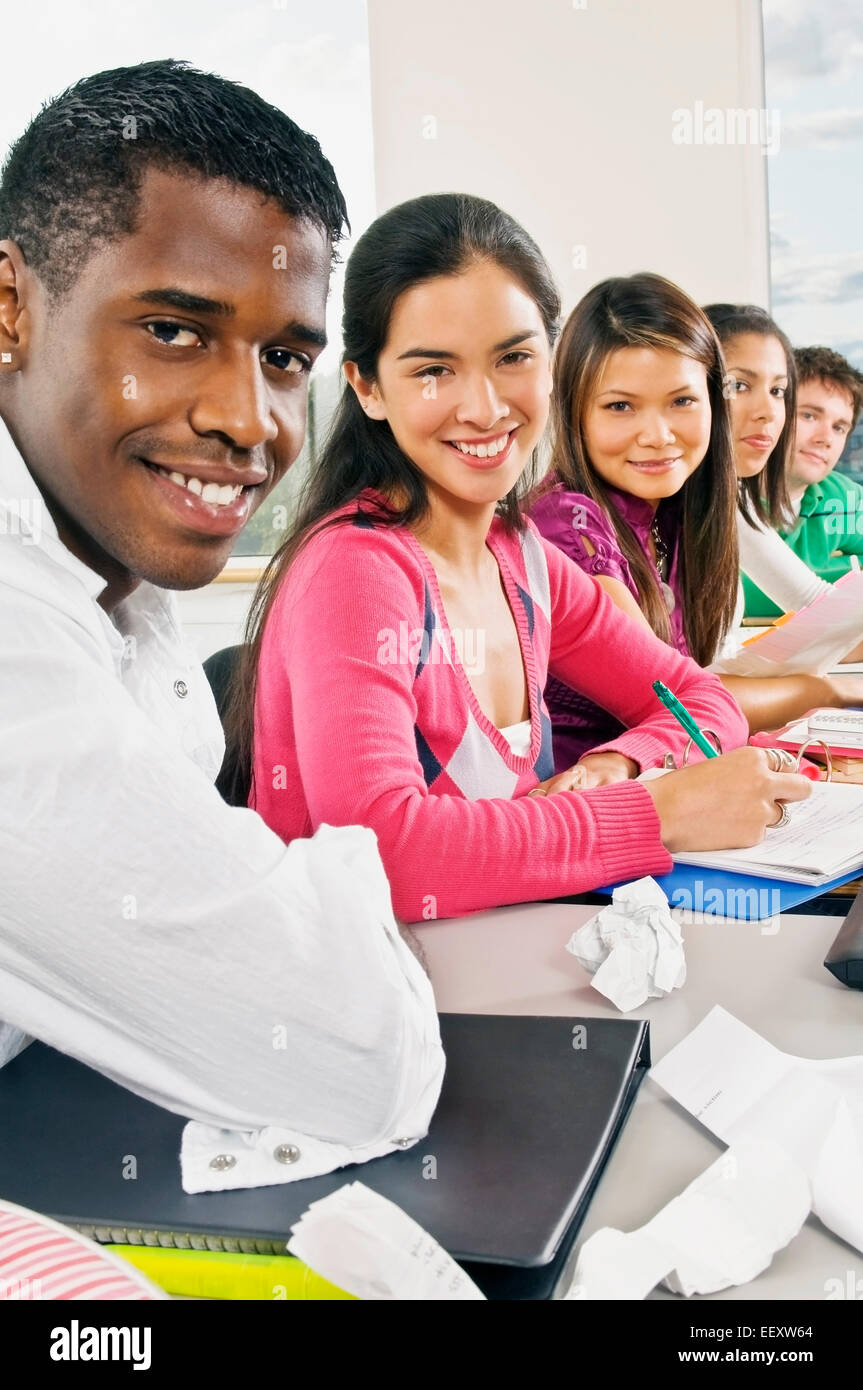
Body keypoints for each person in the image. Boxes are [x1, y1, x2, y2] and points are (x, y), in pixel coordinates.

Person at [0, 60, 444, 1186]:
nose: (250, 421)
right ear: (10, 309)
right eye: (172, 330)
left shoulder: (120, 592)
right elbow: (359, 1060)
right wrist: (337, 874)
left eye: (284, 358)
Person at [228, 197, 809, 924]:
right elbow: (380, 855)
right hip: (376, 1002)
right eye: (434, 369)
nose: (483, 407)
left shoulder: (521, 558)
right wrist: (654, 811)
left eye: (512, 358)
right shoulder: (356, 569)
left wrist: (616, 765)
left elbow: (702, 701)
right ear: (368, 388)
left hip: (507, 963)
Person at [529, 272, 739, 767]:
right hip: (587, 809)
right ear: (574, 412)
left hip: (669, 787)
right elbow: (676, 700)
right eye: (621, 406)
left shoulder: (675, 511)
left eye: (682, 401)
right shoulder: (565, 521)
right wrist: (829, 691)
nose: (658, 435)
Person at [704, 305, 863, 720]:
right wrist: (829, 691)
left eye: (777, 391)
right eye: (739, 385)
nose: (768, 411)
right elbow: (676, 691)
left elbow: (816, 603)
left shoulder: (725, 500)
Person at [742, 345, 863, 617]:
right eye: (809, 415)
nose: (826, 438)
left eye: (839, 427)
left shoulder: (842, 498)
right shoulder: (722, 495)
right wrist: (842, 573)